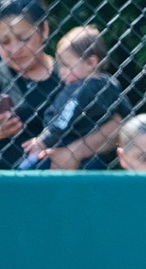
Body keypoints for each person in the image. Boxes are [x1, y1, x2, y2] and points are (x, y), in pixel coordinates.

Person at [0, 0, 116, 171]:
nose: (14, 49)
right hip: (2, 194)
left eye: (24, 38)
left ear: (44, 30)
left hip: (66, 193)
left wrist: (75, 151)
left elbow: (117, 127)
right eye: (4, 41)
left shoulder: (72, 73)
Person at [15, 25, 129, 170]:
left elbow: (64, 117)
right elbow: (126, 111)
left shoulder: (79, 89)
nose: (61, 73)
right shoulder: (111, 84)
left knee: (23, 171)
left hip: (63, 143)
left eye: (66, 66)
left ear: (91, 63)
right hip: (94, 156)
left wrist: (43, 140)